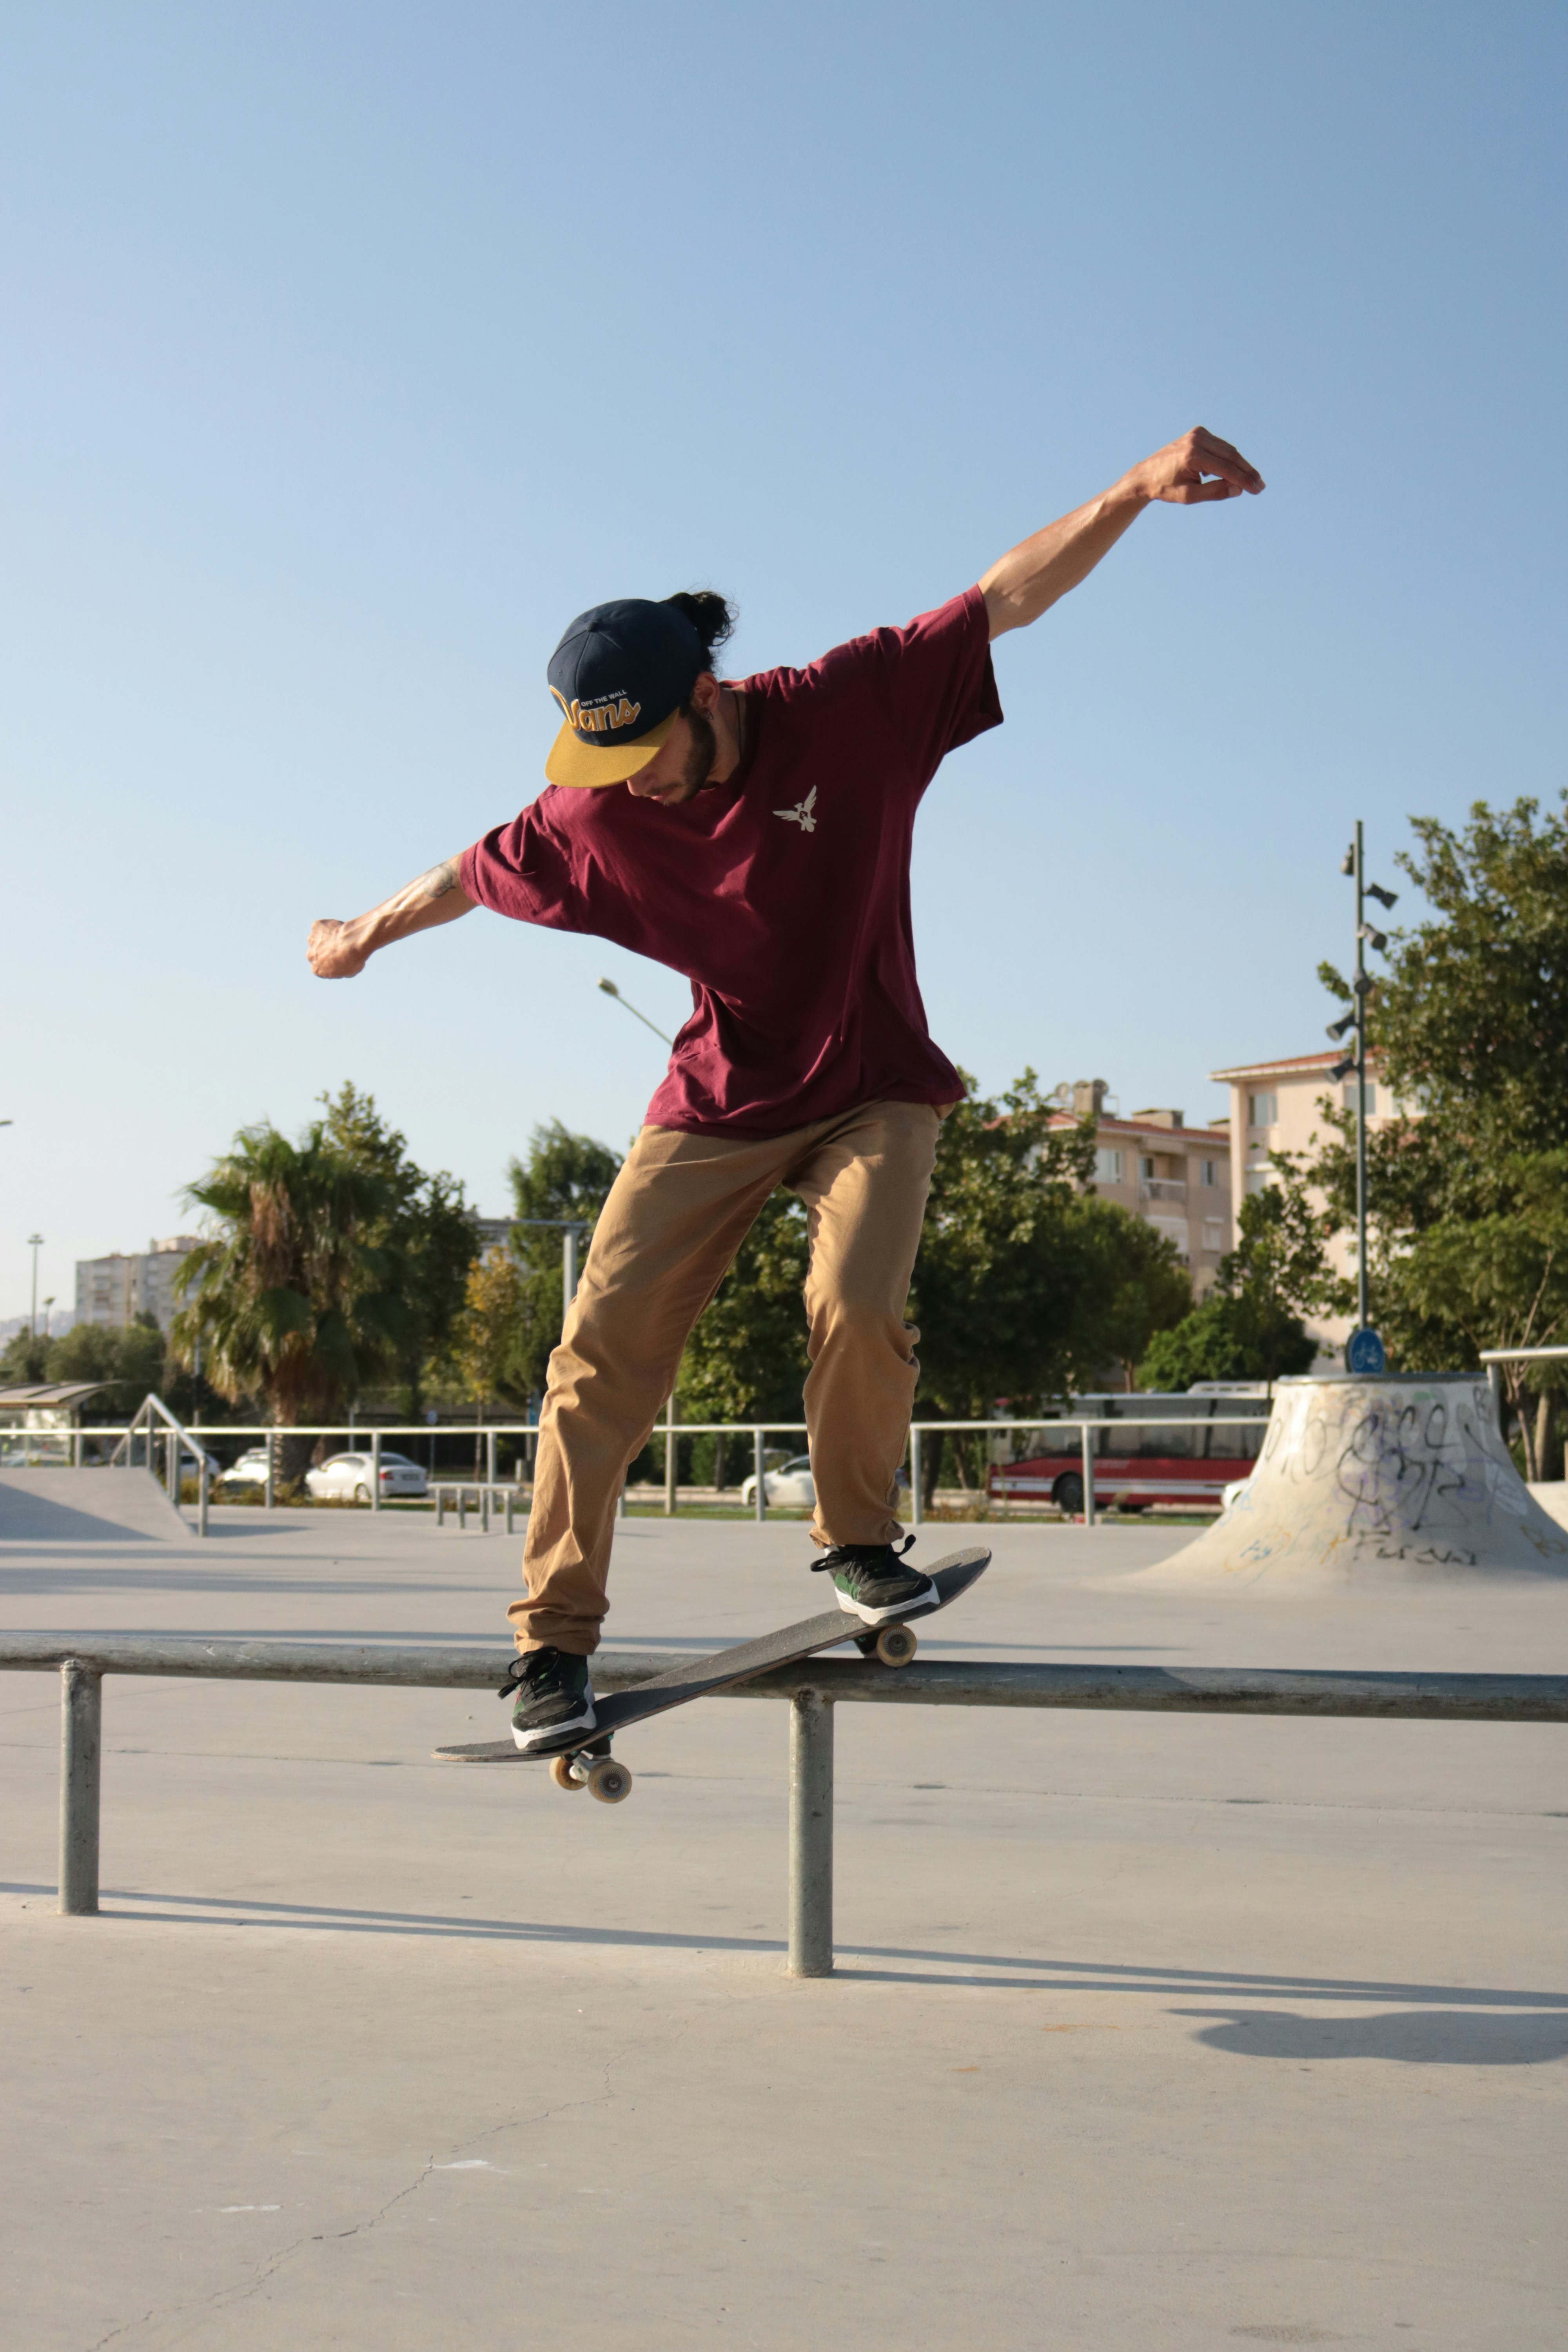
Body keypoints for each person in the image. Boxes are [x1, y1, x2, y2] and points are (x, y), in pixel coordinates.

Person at [309, 426, 1264, 1749]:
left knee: (856, 1299)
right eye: (609, 762)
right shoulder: (592, 817)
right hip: (716, 1100)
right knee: (596, 1359)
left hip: (877, 1082)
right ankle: (549, 1642)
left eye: (649, 747)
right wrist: (358, 933)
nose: (635, 782)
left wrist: (1132, 491)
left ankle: (858, 1545)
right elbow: (467, 877)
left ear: (706, 692)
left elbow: (1002, 599)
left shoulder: (848, 707)